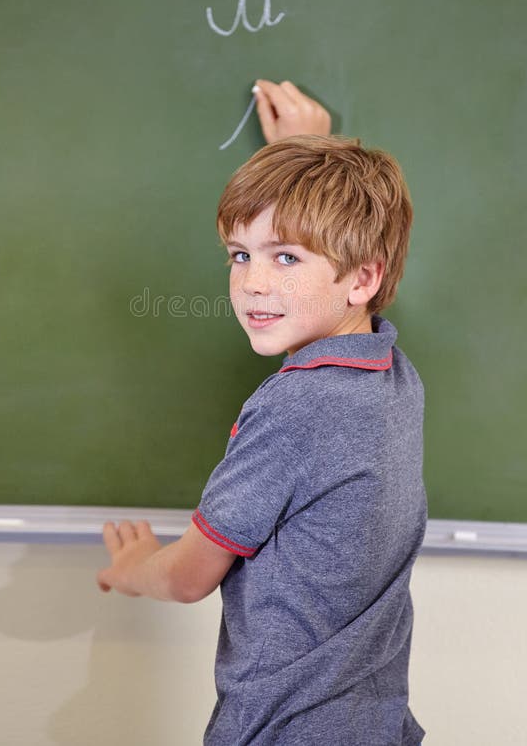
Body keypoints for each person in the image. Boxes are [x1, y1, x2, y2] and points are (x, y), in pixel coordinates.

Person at [97, 80, 426, 746]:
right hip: (376, 725)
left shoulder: (294, 407)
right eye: (240, 255)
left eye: (285, 256)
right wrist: (304, 158)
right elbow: (343, 265)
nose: (252, 282)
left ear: (362, 278)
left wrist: (135, 570)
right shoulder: (391, 373)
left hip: (285, 730)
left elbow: (190, 578)